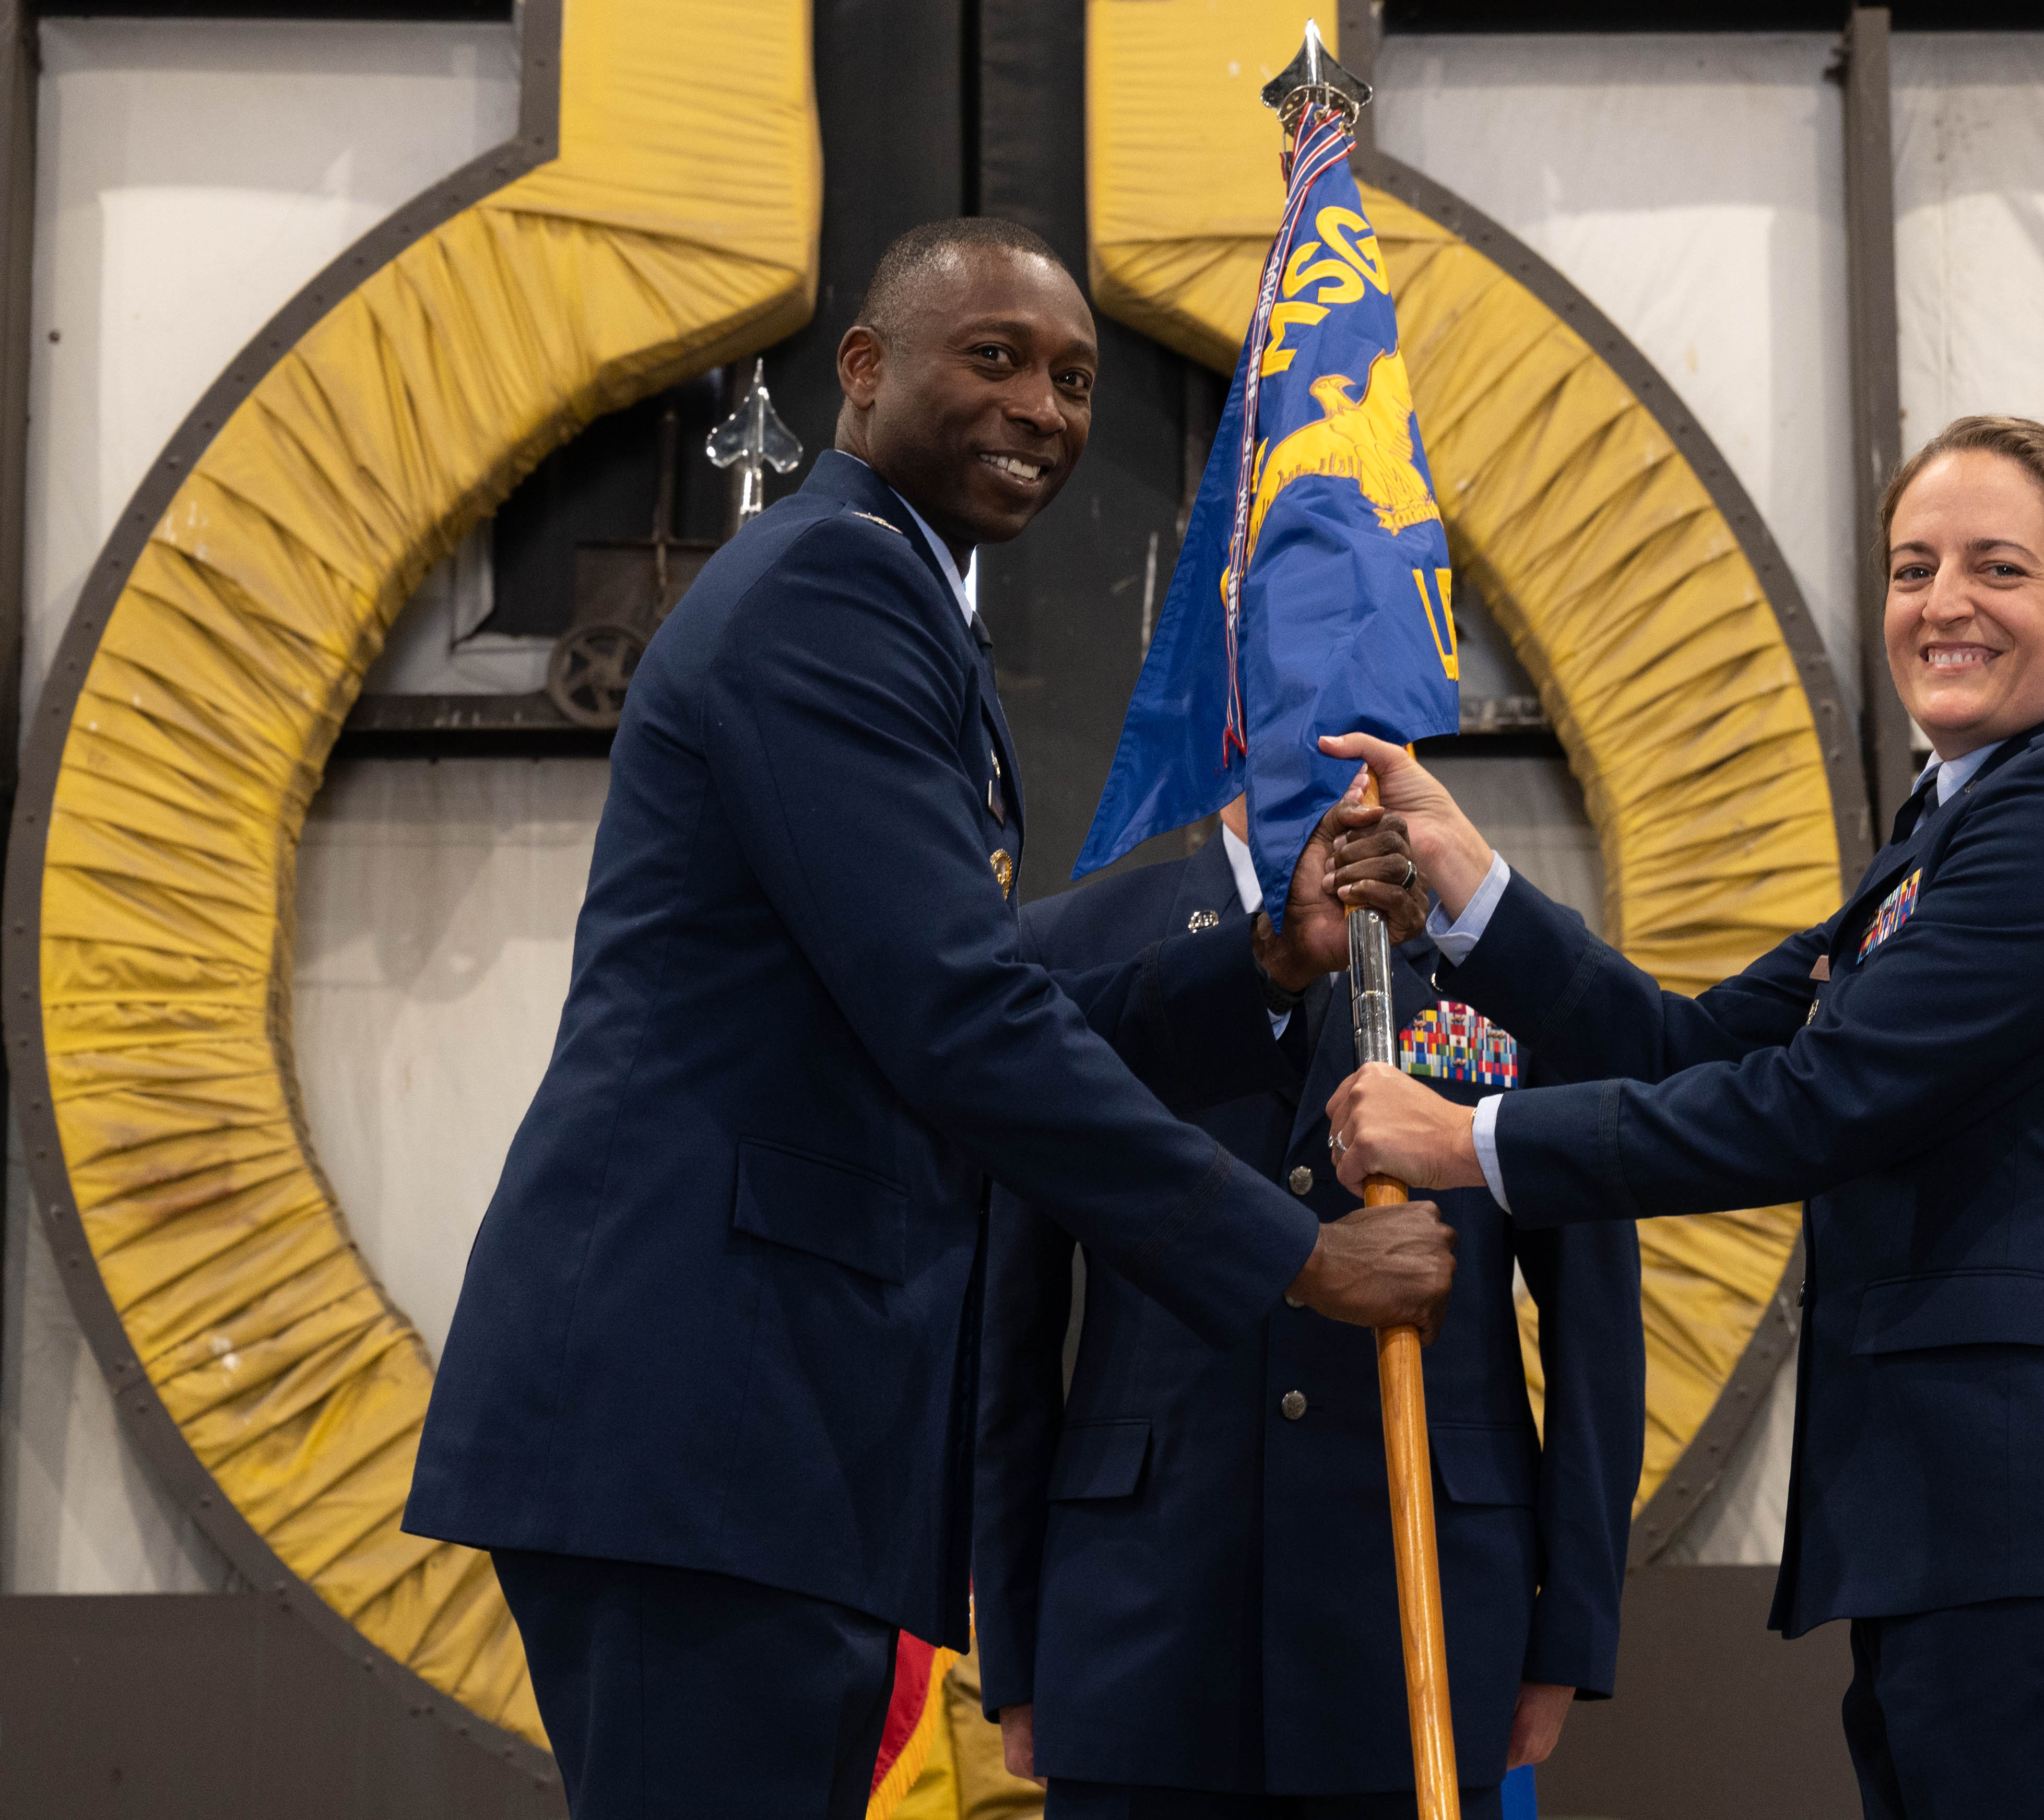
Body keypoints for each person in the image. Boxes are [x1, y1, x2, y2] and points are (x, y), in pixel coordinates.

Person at [405, 218, 1458, 1820]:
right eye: (996, 357)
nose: (1043, 406)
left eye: (1076, 380)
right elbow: (962, 1018)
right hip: (708, 1412)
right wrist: (1296, 1258)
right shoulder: (832, 586)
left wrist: (1264, 954)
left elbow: (969, 986)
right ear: (865, 367)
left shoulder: (893, 593)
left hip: (756, 1427)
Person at [1321, 416, 2044, 1817]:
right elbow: (1689, 1045)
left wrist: (1470, 1144)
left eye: (1998, 567)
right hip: (1968, 1530)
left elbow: (1818, 1104)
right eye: (1913, 567)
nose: (1942, 602)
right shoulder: (1951, 827)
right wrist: (1468, 877)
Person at [974, 795, 1646, 1820]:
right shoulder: (1075, 945)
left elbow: (1592, 1321)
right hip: (1140, 1631)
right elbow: (1009, 1328)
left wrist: (1571, 1635)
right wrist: (1016, 1645)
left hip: (1425, 1624)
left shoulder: (1515, 960)